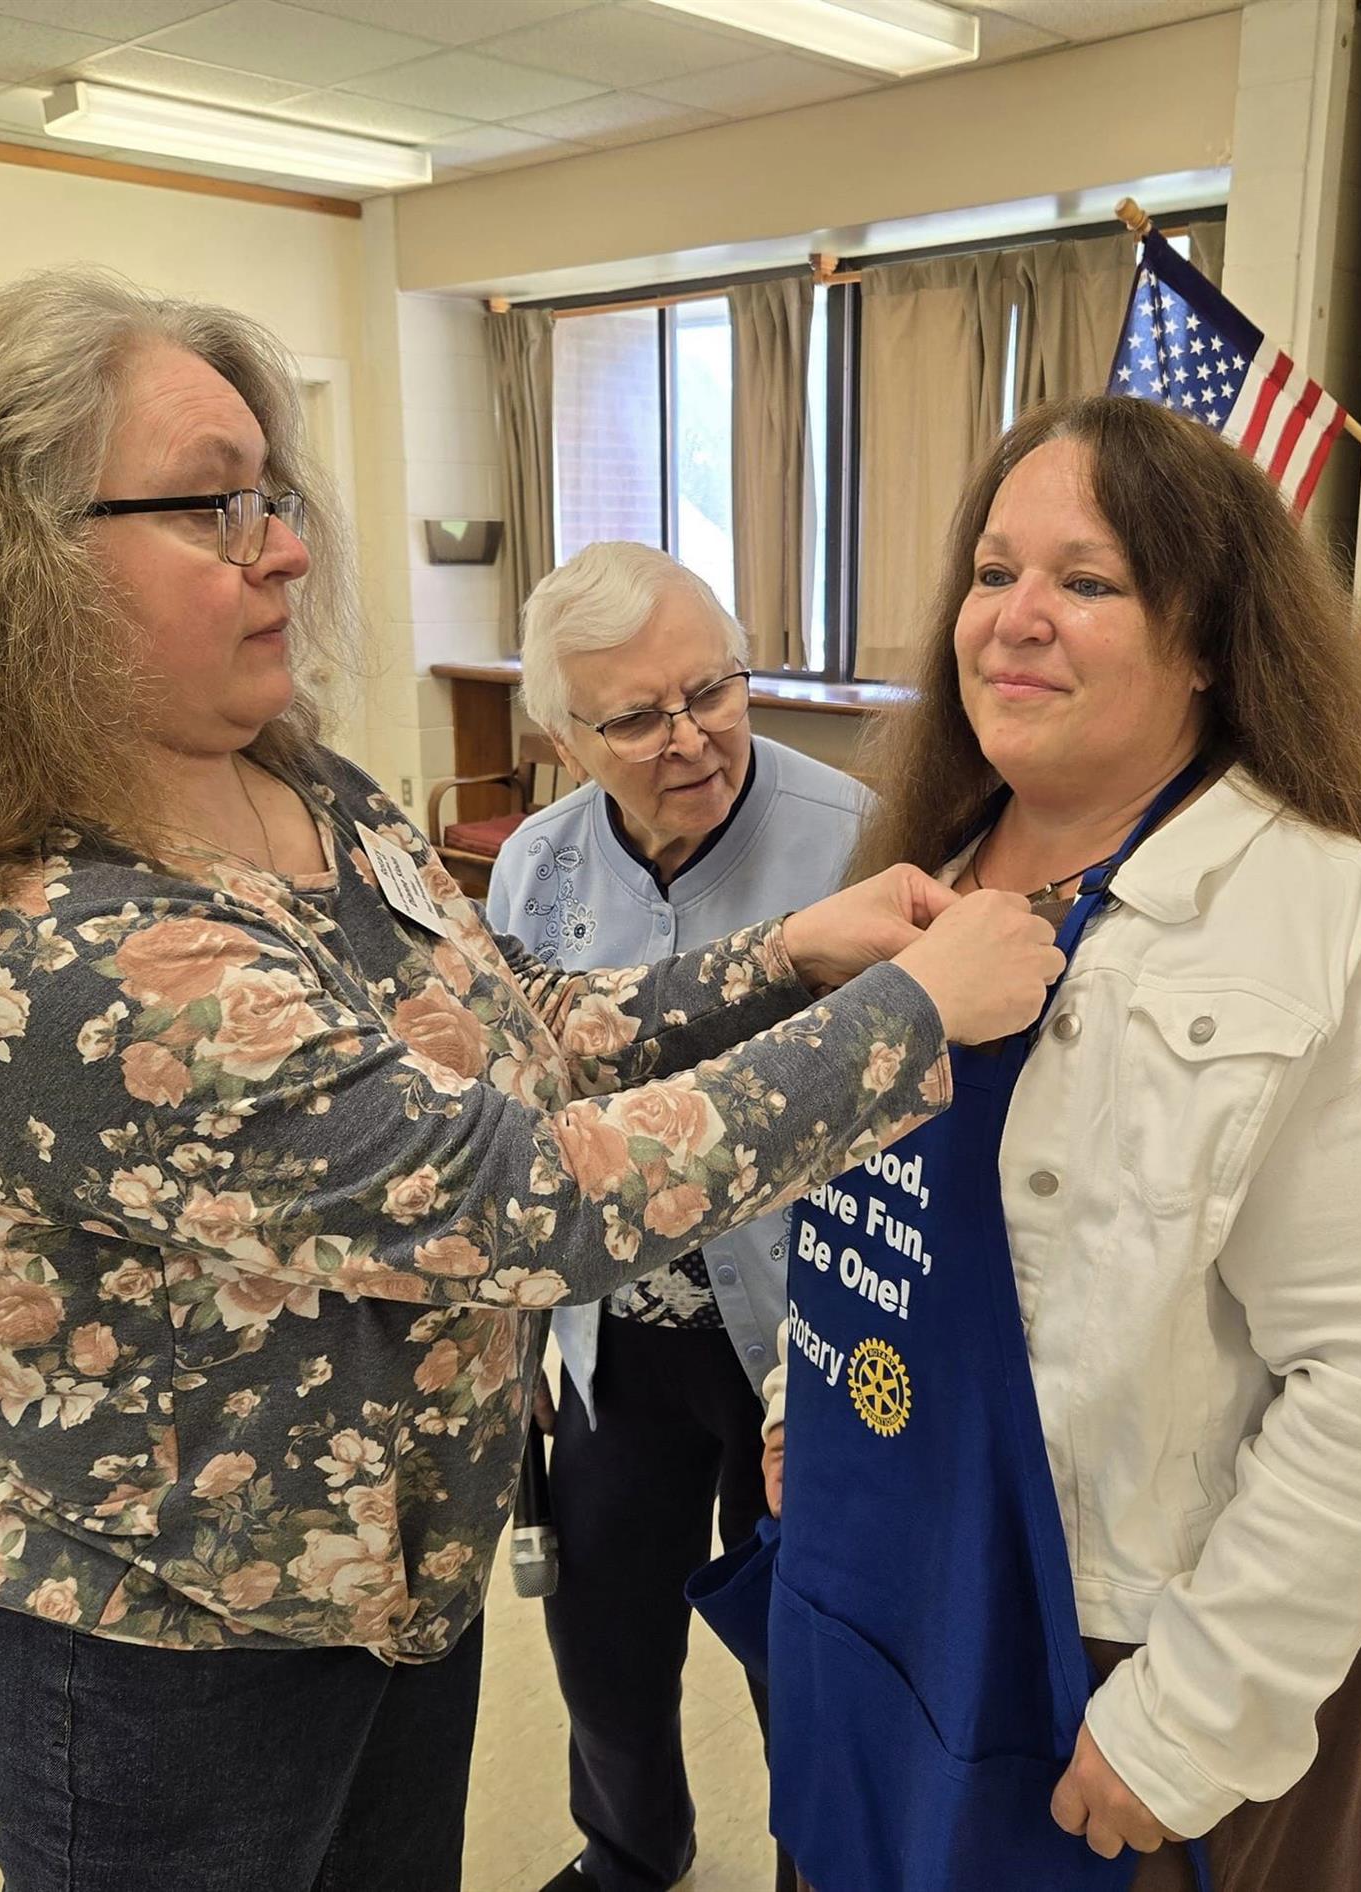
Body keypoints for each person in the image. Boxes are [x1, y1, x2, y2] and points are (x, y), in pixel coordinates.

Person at [0, 268, 1066, 1892]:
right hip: (185, 1661)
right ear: (16, 571)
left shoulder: (298, 787)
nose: (285, 544)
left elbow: (507, 1037)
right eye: (209, 505)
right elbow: (512, 1194)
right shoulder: (86, 951)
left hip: (397, 1592)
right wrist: (905, 1015)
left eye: (271, 492)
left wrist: (789, 957)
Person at [746, 394, 1361, 1892]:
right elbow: (863, 1206)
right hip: (889, 1566)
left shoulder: (1335, 934)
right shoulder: (920, 883)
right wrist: (800, 1391)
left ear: (1212, 642)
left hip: (1131, 1642)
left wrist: (1192, 1722)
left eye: (1086, 583)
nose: (1014, 620)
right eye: (990, 572)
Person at [488, 542, 867, 1892]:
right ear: (563, 734)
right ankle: (630, 1851)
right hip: (614, 1336)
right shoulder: (533, 874)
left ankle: (818, 1862)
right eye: (639, 717)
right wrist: (522, 1350)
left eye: (714, 688)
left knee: (803, 1637)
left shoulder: (856, 840)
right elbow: (511, 1135)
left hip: (799, 1336)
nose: (691, 736)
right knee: (604, 1640)